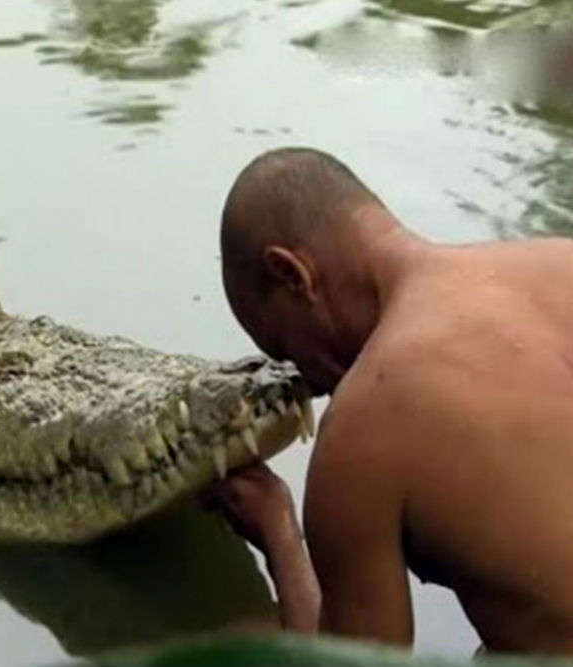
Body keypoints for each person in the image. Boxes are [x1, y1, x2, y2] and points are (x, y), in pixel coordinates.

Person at [210, 147, 573, 654]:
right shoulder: (558, 261)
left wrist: (278, 532)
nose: (307, 381)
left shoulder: (363, 431)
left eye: (284, 348)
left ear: (293, 274)